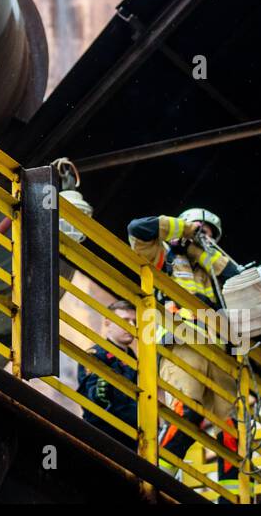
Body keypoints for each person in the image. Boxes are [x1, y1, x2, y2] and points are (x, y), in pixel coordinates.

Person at [127, 207, 243, 500]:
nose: (203, 236)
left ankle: (231, 498)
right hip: (181, 340)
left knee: (231, 429)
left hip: (218, 352)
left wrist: (204, 253)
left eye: (208, 234)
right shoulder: (164, 256)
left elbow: (241, 280)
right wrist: (184, 231)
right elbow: (138, 227)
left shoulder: (215, 274)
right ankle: (155, 480)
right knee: (187, 414)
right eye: (199, 229)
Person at [76, 297, 140, 450]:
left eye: (135, 321)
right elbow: (92, 402)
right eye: (125, 320)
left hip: (132, 438)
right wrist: (99, 396)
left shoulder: (133, 358)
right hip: (104, 439)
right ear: (107, 322)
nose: (132, 326)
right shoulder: (96, 355)